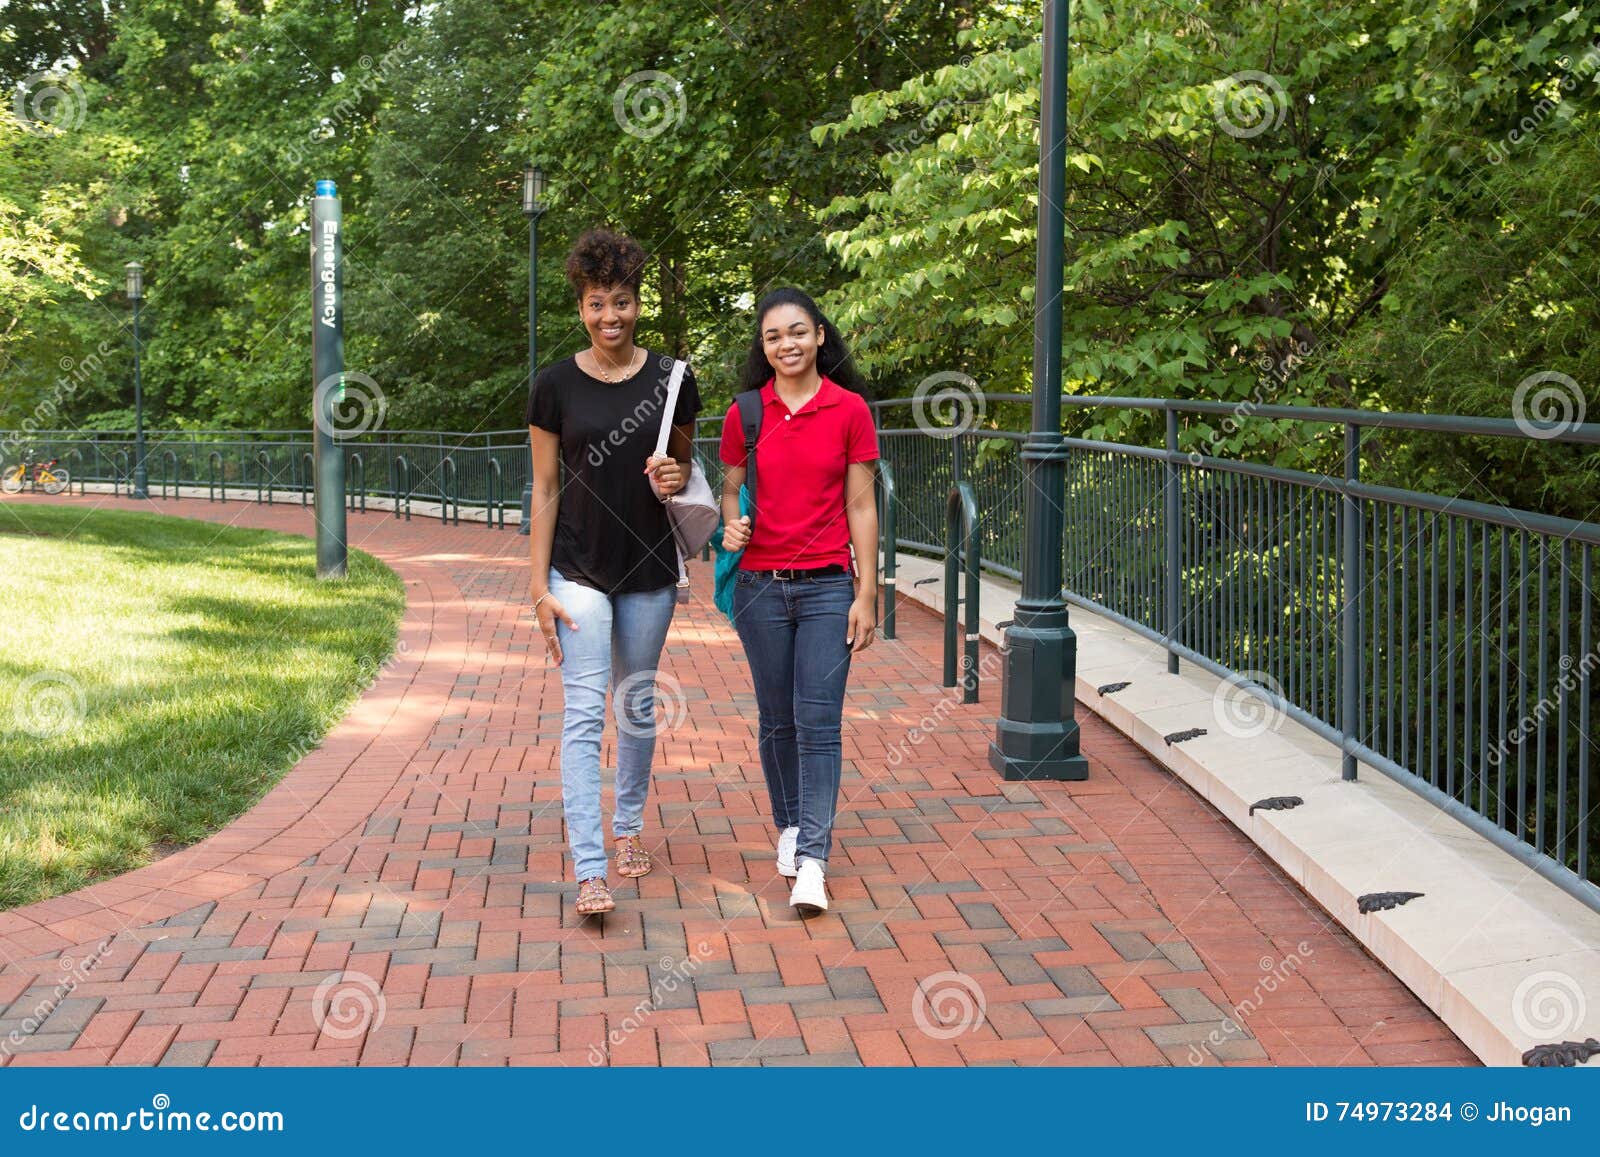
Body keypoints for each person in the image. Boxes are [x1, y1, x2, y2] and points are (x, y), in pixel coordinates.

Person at [527, 228, 701, 916]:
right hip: (576, 568)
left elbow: (684, 469)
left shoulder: (674, 380)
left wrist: (675, 471)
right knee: (581, 713)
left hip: (649, 567)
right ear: (581, 307)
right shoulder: (554, 386)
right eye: (598, 303)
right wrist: (537, 586)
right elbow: (543, 487)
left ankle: (628, 826)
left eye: (622, 302)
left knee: (636, 704)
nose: (611, 317)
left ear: (638, 303)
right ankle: (590, 866)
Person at [719, 287, 879, 915]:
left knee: (819, 723)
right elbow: (731, 491)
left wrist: (866, 591)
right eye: (772, 337)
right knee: (776, 719)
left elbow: (861, 505)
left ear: (818, 336)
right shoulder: (745, 414)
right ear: (764, 348)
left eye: (796, 332)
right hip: (759, 586)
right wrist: (733, 523)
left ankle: (813, 858)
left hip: (828, 586)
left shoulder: (850, 411)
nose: (785, 344)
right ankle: (788, 827)